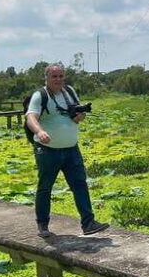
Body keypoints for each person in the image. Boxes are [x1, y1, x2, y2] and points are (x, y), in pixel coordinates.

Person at [25, 63, 109, 238]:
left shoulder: (69, 91)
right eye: (54, 76)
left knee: (80, 184)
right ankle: (42, 225)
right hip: (48, 150)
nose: (58, 79)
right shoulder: (40, 95)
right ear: (46, 78)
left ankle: (88, 223)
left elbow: (78, 115)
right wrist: (40, 131)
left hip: (71, 148)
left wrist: (80, 115)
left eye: (61, 76)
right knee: (45, 187)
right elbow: (30, 117)